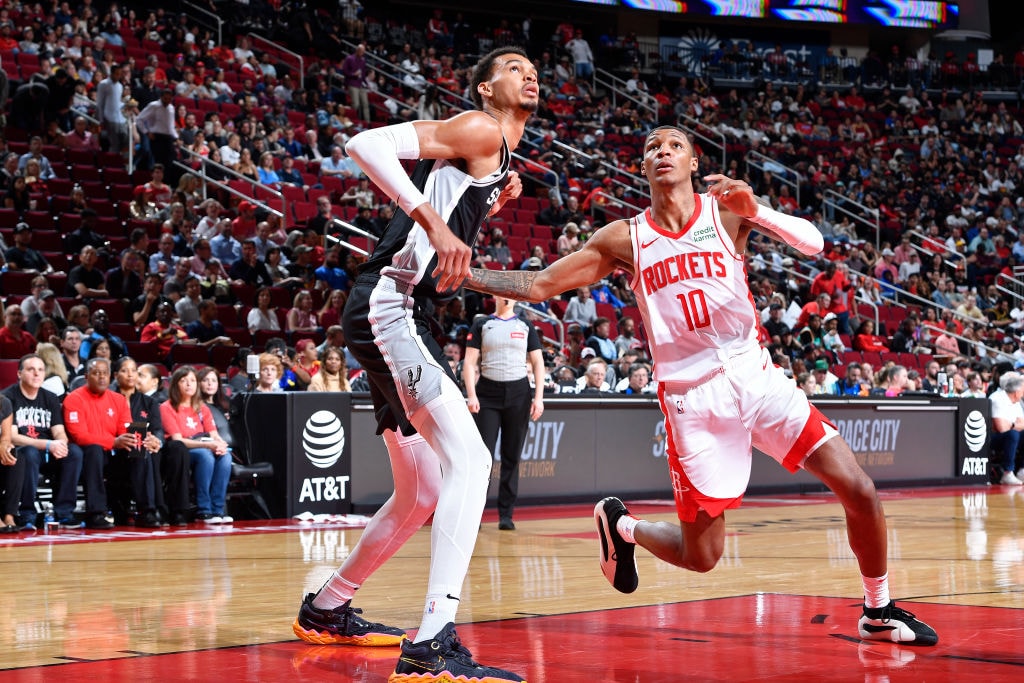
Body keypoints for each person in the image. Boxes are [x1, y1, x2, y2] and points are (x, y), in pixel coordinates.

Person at [464, 125, 938, 646]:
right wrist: (464, 273)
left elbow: (816, 244)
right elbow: (543, 284)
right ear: (643, 168)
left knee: (860, 490)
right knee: (702, 557)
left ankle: (877, 609)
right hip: (694, 400)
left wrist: (757, 208)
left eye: (674, 146)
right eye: (651, 148)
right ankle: (622, 526)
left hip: (756, 377)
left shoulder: (727, 210)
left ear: (693, 163)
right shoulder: (625, 238)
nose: (662, 151)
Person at [291, 47, 536, 682]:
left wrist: (472, 218)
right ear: (486, 89)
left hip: (399, 308)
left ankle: (327, 607)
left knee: (423, 488)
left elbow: (440, 258)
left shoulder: (492, 162)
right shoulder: (479, 128)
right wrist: (434, 217)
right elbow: (363, 143)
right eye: (512, 66)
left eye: (532, 66)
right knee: (471, 460)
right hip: (391, 308)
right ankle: (432, 645)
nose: (528, 71)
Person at [462, 297, 545, 531]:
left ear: (516, 298)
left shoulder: (526, 325)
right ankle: (474, 514)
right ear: (494, 296)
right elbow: (469, 362)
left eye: (509, 292)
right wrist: (471, 394)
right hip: (487, 393)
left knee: (512, 457)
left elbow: (538, 362)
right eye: (501, 292)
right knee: (483, 459)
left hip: (519, 393)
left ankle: (506, 515)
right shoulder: (481, 324)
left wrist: (538, 397)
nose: (505, 295)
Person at [4, 354, 86, 529]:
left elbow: (58, 431)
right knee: (30, 453)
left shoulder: (50, 397)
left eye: (40, 370)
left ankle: (64, 512)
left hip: (48, 452)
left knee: (74, 453)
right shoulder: (8, 397)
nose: (36, 374)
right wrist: (48, 444)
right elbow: (12, 436)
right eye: (31, 369)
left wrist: (61, 444)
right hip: (20, 453)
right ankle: (27, 514)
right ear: (19, 374)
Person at [62, 357, 140, 528]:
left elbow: (125, 430)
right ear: (86, 377)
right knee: (94, 450)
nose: (102, 377)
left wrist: (140, 439)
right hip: (86, 456)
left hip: (112, 452)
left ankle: (146, 509)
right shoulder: (74, 399)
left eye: (105, 373)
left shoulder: (119, 399)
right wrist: (113, 441)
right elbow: (79, 436)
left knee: (139, 450)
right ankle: (96, 513)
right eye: (96, 373)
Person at [115, 356, 189, 527]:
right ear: (116, 375)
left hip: (148, 448)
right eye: (125, 371)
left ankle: (179, 511)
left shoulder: (149, 401)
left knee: (177, 447)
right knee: (145, 451)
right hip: (122, 451)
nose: (131, 375)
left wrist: (157, 440)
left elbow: (157, 429)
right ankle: (150, 510)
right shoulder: (111, 399)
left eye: (134, 371)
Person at [160, 366, 232, 523]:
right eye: (183, 381)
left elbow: (214, 434)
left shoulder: (202, 407)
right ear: (175, 385)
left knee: (225, 457)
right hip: (183, 450)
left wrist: (220, 445)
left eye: (192, 380)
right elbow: (178, 440)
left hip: (204, 444)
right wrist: (208, 446)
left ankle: (218, 510)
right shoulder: (167, 407)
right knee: (205, 456)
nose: (189, 384)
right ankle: (204, 510)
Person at [988, 371, 1024, 486]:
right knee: (1013, 434)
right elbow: (1001, 427)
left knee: (1015, 433)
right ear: (1017, 391)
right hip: (992, 437)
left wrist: (1011, 424)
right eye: (1023, 389)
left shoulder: (1016, 402)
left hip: (1010, 435)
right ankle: (1007, 473)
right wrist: (1014, 425)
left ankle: (1022, 470)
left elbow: (1023, 423)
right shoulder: (998, 398)